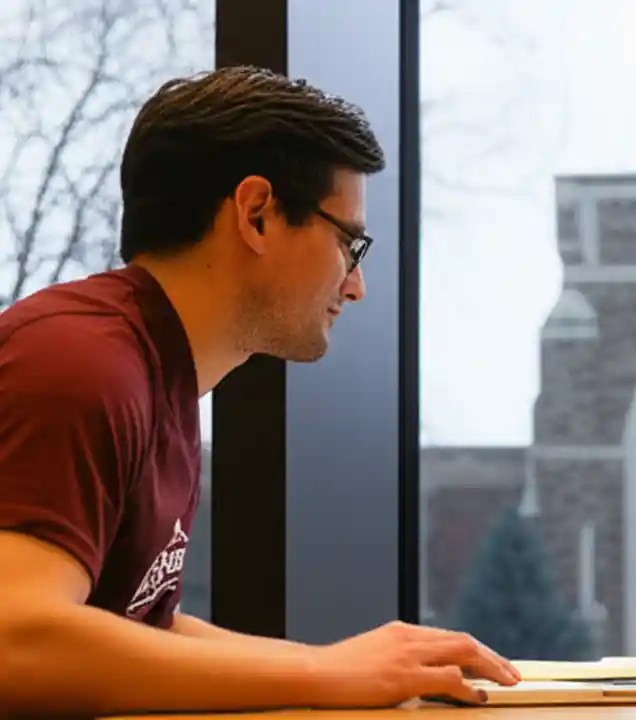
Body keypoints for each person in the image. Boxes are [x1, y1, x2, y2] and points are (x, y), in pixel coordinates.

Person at [0, 66, 519, 717]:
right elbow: (14, 641)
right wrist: (321, 673)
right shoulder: (77, 364)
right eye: (349, 243)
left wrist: (358, 666)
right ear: (257, 214)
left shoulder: (155, 376)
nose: (356, 286)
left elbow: (136, 632)